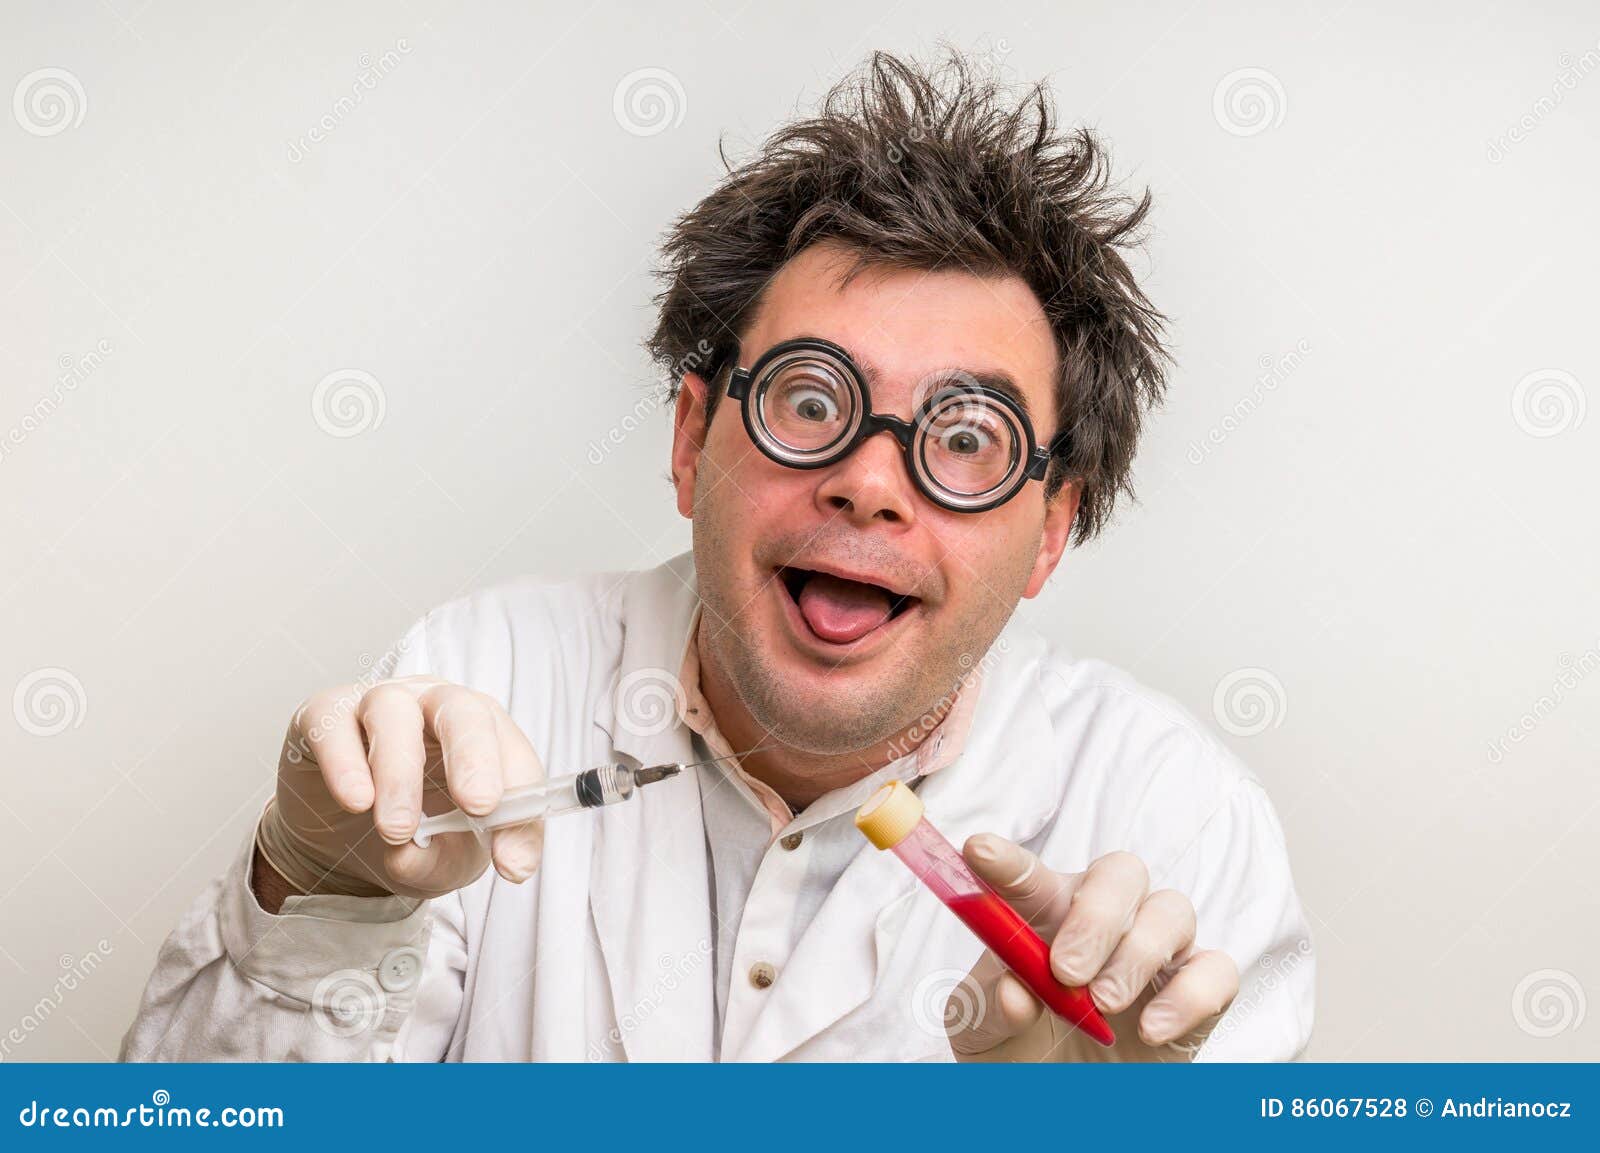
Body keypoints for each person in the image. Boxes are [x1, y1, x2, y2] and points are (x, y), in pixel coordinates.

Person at [122, 50, 1313, 1062]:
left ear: (1051, 528)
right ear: (694, 440)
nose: (868, 480)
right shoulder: (474, 688)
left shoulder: (1174, 816)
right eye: (810, 399)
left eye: (965, 438)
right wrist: (314, 897)